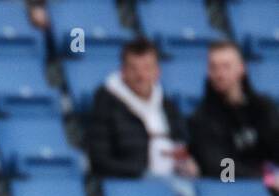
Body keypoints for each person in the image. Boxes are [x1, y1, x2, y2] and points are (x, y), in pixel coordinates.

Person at [88, 38, 199, 185]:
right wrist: (140, 173)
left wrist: (186, 161)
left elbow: (182, 142)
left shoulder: (166, 105)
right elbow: (100, 160)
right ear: (122, 71)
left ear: (157, 72)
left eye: (147, 68)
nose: (140, 76)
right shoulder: (106, 105)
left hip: (175, 177)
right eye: (133, 69)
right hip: (132, 182)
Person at [188, 40, 279, 184]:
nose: (220, 74)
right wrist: (264, 180)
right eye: (214, 67)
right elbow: (223, 171)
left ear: (241, 68)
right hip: (232, 191)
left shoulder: (263, 108)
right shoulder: (201, 119)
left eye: (226, 67)